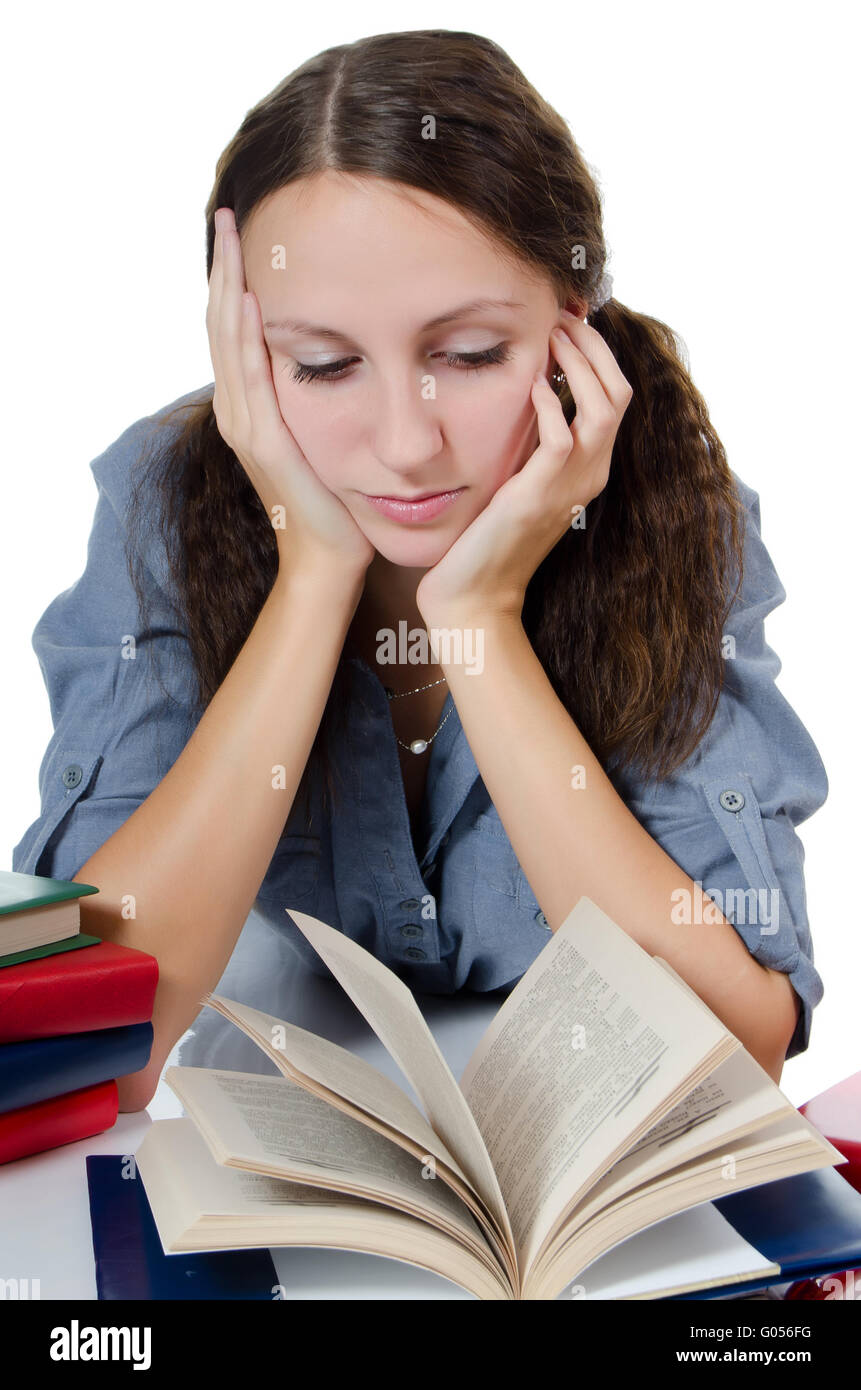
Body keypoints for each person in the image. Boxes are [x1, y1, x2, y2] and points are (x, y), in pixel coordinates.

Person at [12, 30, 828, 1110]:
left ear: (571, 327)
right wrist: (313, 573)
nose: (405, 441)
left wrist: (478, 619)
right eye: (323, 364)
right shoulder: (164, 501)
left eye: (470, 354)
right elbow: (82, 1037)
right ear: (239, 352)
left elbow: (734, 1055)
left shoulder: (673, 507)